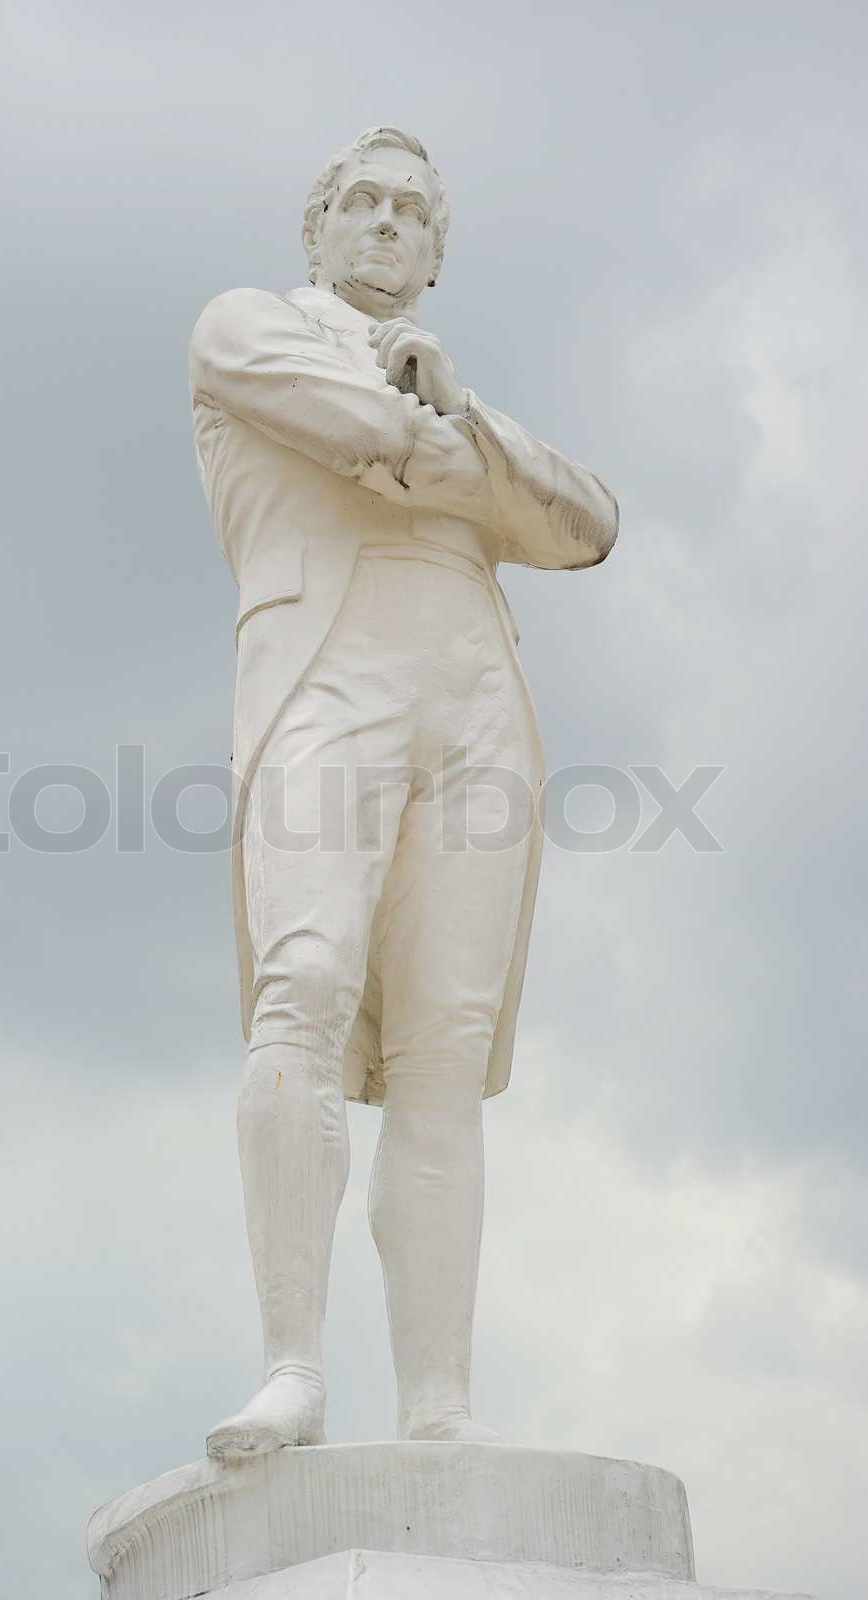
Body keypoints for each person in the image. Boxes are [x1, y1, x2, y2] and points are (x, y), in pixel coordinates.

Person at [188, 126, 618, 1459]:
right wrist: (457, 453)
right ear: (316, 231)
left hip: (474, 697)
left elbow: (585, 525)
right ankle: (292, 1369)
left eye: (409, 213)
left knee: (445, 1038)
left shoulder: (451, 385)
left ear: (435, 254)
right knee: (302, 986)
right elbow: (359, 432)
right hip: (326, 672)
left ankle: (439, 1405)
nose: (382, 225)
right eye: (359, 204)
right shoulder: (250, 326)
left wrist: (464, 420)